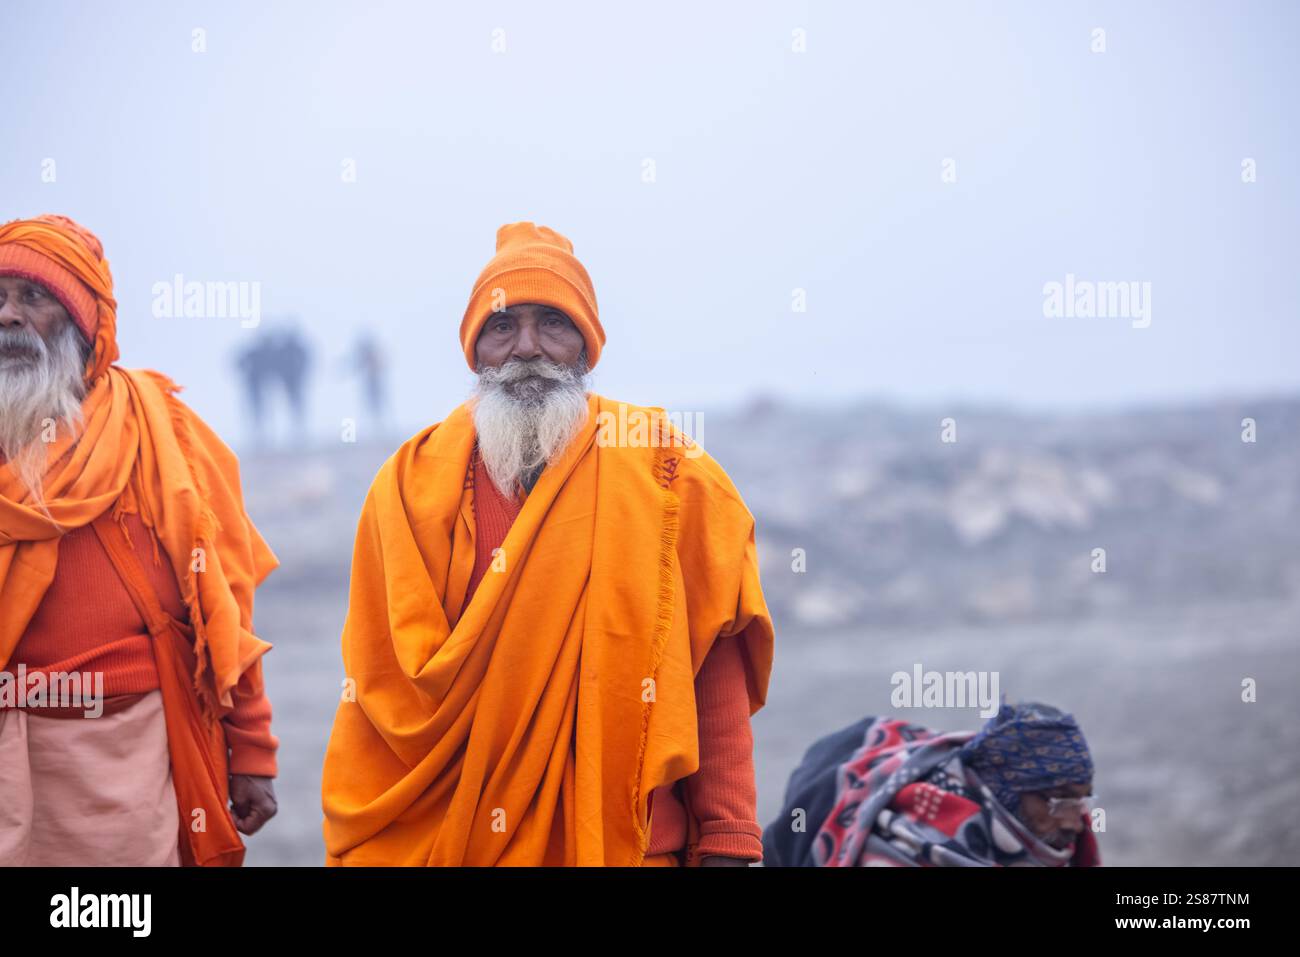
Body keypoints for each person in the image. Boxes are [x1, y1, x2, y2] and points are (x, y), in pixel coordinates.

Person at [321, 221, 775, 866]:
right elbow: (376, 687)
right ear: (474, 347)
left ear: (587, 345)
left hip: (630, 844)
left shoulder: (666, 470)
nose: (526, 348)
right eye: (503, 326)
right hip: (452, 843)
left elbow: (713, 669)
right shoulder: (408, 487)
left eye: (553, 325)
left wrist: (730, 833)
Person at [0, 214, 280, 866]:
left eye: (33, 297)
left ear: (82, 322)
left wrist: (253, 748)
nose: (8, 317)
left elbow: (224, 608)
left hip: (137, 753)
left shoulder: (162, 432)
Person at [762, 699, 1101, 866]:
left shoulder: (1046, 849)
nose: (1076, 822)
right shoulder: (900, 849)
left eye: (1082, 801)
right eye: (1059, 801)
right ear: (1006, 794)